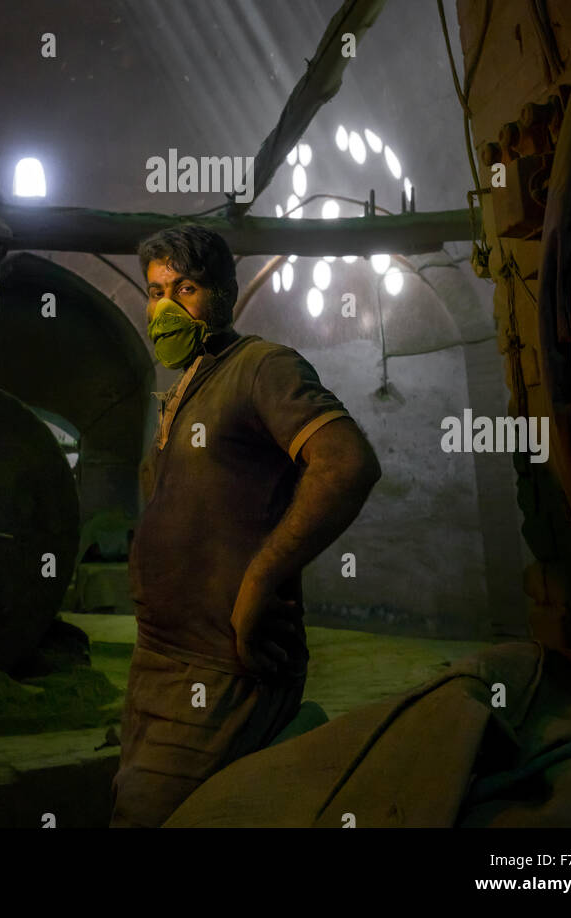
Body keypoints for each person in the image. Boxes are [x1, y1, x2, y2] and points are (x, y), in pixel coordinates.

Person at [109, 223, 381, 828]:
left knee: (154, 818)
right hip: (157, 661)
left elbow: (346, 464)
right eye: (155, 292)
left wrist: (258, 582)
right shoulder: (183, 390)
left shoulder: (262, 367)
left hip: (222, 668)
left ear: (225, 293)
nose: (165, 308)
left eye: (184, 289)